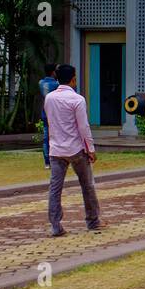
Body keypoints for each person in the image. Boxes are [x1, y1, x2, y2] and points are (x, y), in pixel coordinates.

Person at [43, 63, 103, 236]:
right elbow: (83, 127)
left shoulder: (49, 98)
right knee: (87, 185)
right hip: (76, 149)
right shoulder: (77, 99)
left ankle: (55, 226)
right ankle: (93, 221)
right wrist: (90, 149)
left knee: (55, 189)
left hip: (56, 149)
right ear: (73, 79)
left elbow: (50, 122)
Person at [38, 64, 59, 170]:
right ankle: (57, 159)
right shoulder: (56, 84)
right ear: (53, 72)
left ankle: (47, 162)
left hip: (45, 113)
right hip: (55, 114)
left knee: (46, 138)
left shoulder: (41, 83)